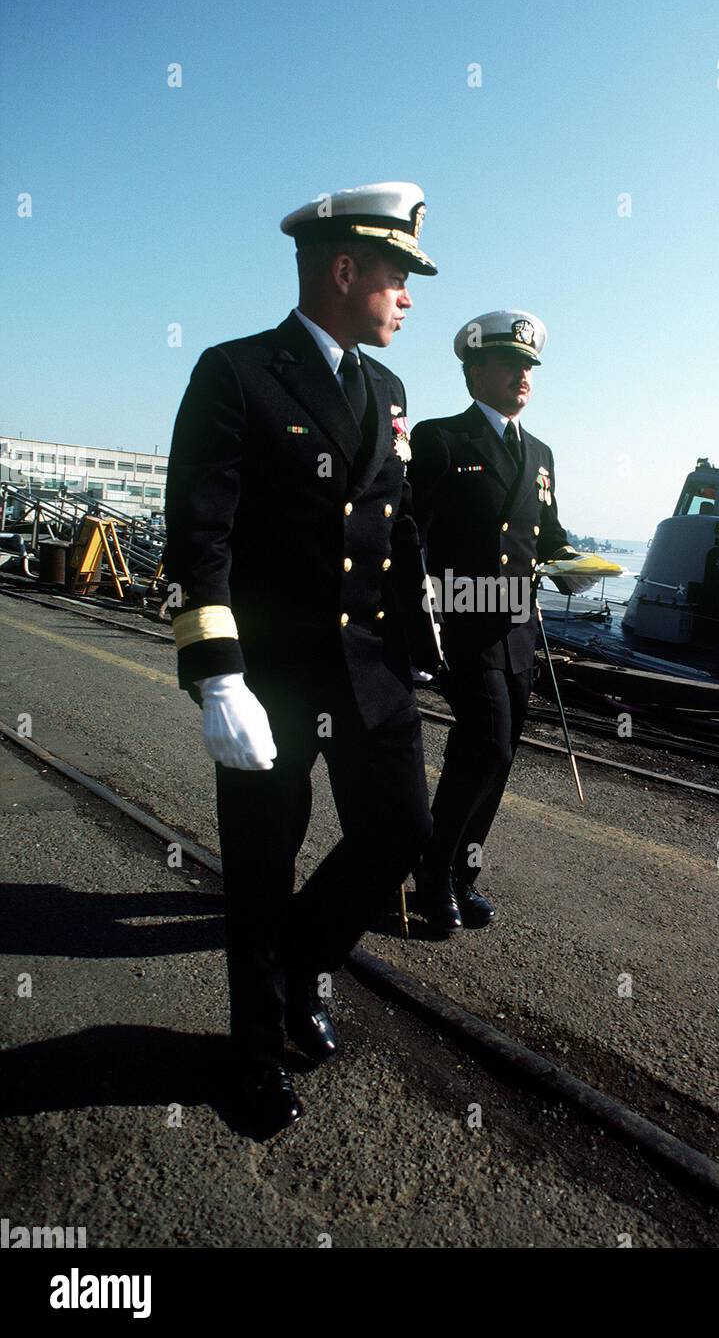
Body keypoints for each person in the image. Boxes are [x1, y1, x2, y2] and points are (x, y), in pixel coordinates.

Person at [164, 182, 441, 1133]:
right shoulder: (236, 374)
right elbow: (199, 538)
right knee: (259, 869)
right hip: (272, 677)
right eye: (398, 275)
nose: (408, 296)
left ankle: (296, 969)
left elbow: (395, 527)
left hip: (371, 674)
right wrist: (219, 675)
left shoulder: (389, 390)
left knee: (402, 833)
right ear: (344, 268)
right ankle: (250, 1054)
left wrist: (423, 620)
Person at [407, 310, 576, 932]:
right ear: (475, 371)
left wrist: (574, 568)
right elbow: (411, 535)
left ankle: (460, 873)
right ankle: (431, 874)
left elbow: (550, 537)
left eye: (529, 367)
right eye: (511, 364)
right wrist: (417, 620)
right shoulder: (441, 439)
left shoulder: (541, 453)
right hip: (460, 620)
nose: (523, 376)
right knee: (487, 742)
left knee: (500, 756)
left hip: (517, 628)